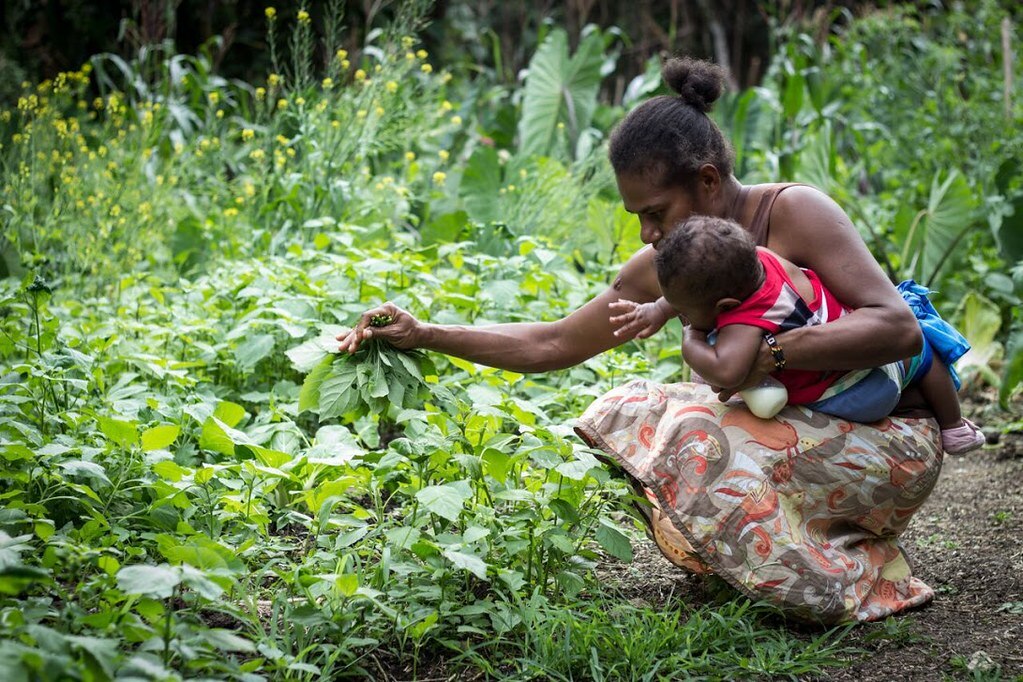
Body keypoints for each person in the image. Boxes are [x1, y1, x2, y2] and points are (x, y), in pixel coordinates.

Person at [338, 56, 948, 623]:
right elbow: (553, 344)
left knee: (694, 426)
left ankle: (854, 567)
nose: (647, 233)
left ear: (707, 180)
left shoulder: (793, 213)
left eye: (656, 212)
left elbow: (898, 328)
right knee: (627, 410)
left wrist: (768, 354)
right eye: (638, 217)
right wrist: (425, 333)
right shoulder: (669, 264)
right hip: (791, 435)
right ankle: (763, 566)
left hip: (886, 441)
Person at [619, 214, 983, 455]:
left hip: (852, 395)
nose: (682, 315)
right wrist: (659, 309)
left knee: (920, 344)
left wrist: (691, 339)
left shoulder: (747, 322)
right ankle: (952, 422)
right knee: (926, 351)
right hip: (854, 363)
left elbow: (726, 371)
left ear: (727, 305)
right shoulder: (759, 260)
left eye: (683, 310)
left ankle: (939, 419)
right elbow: (695, 289)